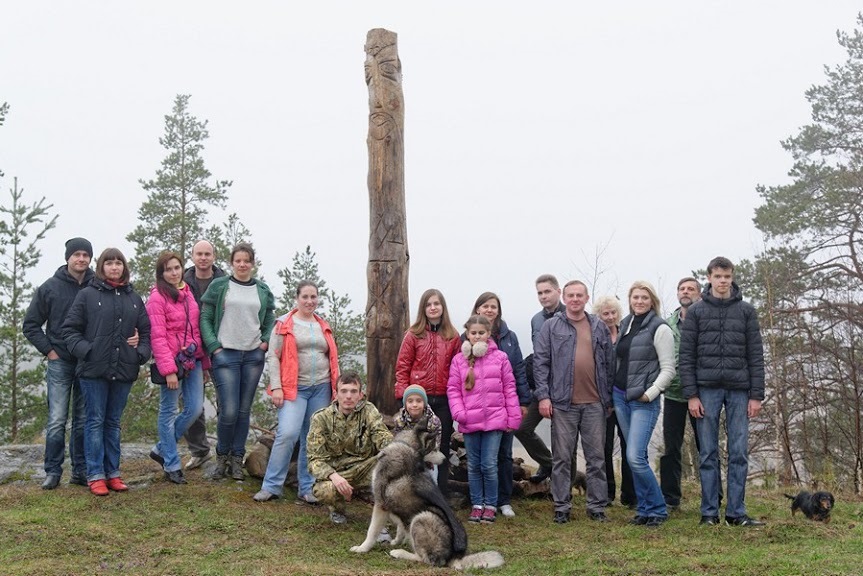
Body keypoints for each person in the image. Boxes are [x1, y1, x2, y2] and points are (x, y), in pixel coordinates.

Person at [680, 257, 765, 527]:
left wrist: (756, 395)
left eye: (727, 276)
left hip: (740, 391)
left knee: (738, 452)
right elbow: (686, 356)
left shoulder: (746, 311)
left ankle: (736, 513)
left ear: (732, 277)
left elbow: (756, 355)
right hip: (706, 391)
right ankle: (709, 513)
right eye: (718, 276)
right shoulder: (696, 312)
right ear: (709, 278)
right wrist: (691, 395)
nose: (723, 281)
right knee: (707, 453)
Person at [61, 248, 151, 496]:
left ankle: (113, 473)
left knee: (112, 423)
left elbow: (146, 331)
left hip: (124, 369)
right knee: (95, 421)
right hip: (93, 370)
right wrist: (87, 350)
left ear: (124, 266)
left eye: (118, 263)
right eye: (109, 263)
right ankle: (95, 475)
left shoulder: (134, 298)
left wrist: (140, 353)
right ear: (101, 267)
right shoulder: (88, 295)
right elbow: (69, 330)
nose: (114, 267)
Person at [533, 280, 614, 524]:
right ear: (564, 297)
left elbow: (609, 364)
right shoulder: (551, 327)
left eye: (580, 295)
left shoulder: (598, 326)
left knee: (596, 457)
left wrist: (607, 398)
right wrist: (544, 396)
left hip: (594, 403)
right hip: (562, 403)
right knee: (561, 457)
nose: (575, 299)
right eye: (571, 295)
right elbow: (541, 363)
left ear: (586, 297)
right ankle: (561, 506)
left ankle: (597, 506)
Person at [253, 280, 339, 504]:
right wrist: (277, 387)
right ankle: (271, 486)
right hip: (293, 389)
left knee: (312, 438)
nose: (310, 301)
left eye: (313, 297)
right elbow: (273, 356)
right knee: (288, 433)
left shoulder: (323, 324)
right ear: (297, 298)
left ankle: (307, 487)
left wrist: (336, 388)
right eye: (305, 297)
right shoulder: (284, 324)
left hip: (321, 387)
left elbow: (331, 358)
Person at [23, 237, 94, 489]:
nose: (81, 259)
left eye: (86, 255)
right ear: (68, 257)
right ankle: (52, 471)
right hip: (60, 361)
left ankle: (80, 470)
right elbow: (30, 325)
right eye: (77, 254)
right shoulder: (50, 287)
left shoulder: (97, 286)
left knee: (83, 420)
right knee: (56, 419)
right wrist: (49, 351)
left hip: (88, 363)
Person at [200, 242, 275, 481]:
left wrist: (264, 341)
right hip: (226, 355)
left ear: (252, 263)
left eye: (247, 260)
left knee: (243, 411)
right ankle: (221, 457)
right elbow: (206, 317)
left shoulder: (262, 289)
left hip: (253, 355)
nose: (242, 264)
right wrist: (214, 347)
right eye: (238, 260)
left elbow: (270, 317)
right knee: (229, 410)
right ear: (231, 263)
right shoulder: (220, 286)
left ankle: (237, 460)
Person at [612, 282, 676, 528]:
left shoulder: (660, 328)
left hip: (643, 401)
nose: (639, 301)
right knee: (633, 458)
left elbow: (669, 369)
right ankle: (645, 509)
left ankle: (658, 509)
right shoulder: (626, 324)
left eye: (644, 297)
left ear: (652, 301)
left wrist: (650, 394)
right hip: (620, 397)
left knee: (635, 457)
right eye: (635, 297)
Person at [448, 315, 522, 524]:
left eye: (482, 333)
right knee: (474, 465)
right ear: (467, 334)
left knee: (489, 464)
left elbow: (509, 388)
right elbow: (453, 389)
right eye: (473, 333)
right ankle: (477, 504)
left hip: (494, 421)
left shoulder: (500, 358)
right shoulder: (458, 360)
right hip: (470, 421)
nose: (477, 336)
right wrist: (459, 413)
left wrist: (512, 416)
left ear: (488, 334)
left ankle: (490, 504)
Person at [146, 251, 207, 485]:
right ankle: (171, 463)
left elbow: (195, 329)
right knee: (169, 410)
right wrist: (168, 369)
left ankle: (162, 448)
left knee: (193, 408)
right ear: (162, 273)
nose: (174, 272)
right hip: (171, 363)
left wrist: (203, 360)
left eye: (177, 268)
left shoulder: (188, 293)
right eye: (168, 269)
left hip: (193, 360)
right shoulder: (157, 298)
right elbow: (158, 336)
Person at [660, 277, 721, 509]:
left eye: (691, 289)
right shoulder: (666, 324)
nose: (686, 292)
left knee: (707, 448)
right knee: (671, 449)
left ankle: (714, 497)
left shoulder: (708, 321)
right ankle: (670, 499)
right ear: (677, 294)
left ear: (700, 294)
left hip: (702, 394)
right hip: (674, 394)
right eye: (682, 289)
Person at [395, 289, 461, 496]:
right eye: (428, 304)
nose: (433, 308)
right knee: (415, 447)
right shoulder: (413, 334)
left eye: (436, 304)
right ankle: (412, 494)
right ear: (423, 308)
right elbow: (402, 367)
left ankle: (439, 495)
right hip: (418, 400)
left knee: (440, 449)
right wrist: (403, 398)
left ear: (443, 307)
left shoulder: (452, 336)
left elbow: (457, 370)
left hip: (443, 400)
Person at [469, 292, 529, 518]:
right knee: (482, 460)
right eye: (485, 306)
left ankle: (503, 500)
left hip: (503, 405)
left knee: (504, 454)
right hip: (478, 411)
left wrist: (523, 402)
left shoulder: (509, 336)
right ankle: (479, 501)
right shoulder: (467, 342)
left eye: (493, 306)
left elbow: (519, 370)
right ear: (477, 310)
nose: (489, 310)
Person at [307, 371, 393, 524]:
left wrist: (393, 448)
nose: (348, 396)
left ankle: (382, 520)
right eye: (344, 391)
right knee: (324, 489)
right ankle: (337, 510)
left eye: (353, 391)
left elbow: (381, 435)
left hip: (365, 468)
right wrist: (334, 477)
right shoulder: (321, 418)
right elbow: (314, 460)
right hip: (338, 473)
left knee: (390, 463)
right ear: (336, 393)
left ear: (360, 394)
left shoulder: (369, 411)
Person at [181, 239, 226, 470]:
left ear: (214, 256)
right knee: (192, 404)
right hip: (190, 349)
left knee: (226, 403)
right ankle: (199, 451)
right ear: (192, 255)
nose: (203, 258)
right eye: (199, 253)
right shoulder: (182, 282)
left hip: (220, 347)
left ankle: (225, 453)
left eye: (207, 253)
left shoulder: (226, 282)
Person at [593, 295, 636, 508]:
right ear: (598, 315)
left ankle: (630, 494)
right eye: (605, 313)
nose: (610, 317)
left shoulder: (626, 333)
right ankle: (607, 493)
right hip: (603, 400)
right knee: (604, 447)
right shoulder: (595, 336)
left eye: (613, 313)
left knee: (630, 444)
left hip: (625, 395)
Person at [519, 274, 563, 484]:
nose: (544, 296)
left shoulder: (571, 314)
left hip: (565, 387)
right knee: (523, 428)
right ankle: (549, 464)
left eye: (547, 291)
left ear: (558, 292)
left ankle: (564, 484)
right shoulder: (536, 319)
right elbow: (539, 353)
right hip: (542, 386)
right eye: (540, 293)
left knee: (563, 438)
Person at [394, 384, 443, 481]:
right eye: (410, 401)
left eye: (419, 401)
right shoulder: (399, 420)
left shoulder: (434, 421)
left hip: (427, 458)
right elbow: (397, 443)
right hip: (406, 458)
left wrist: (425, 460)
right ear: (405, 403)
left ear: (424, 403)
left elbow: (435, 445)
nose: (414, 405)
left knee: (431, 479)